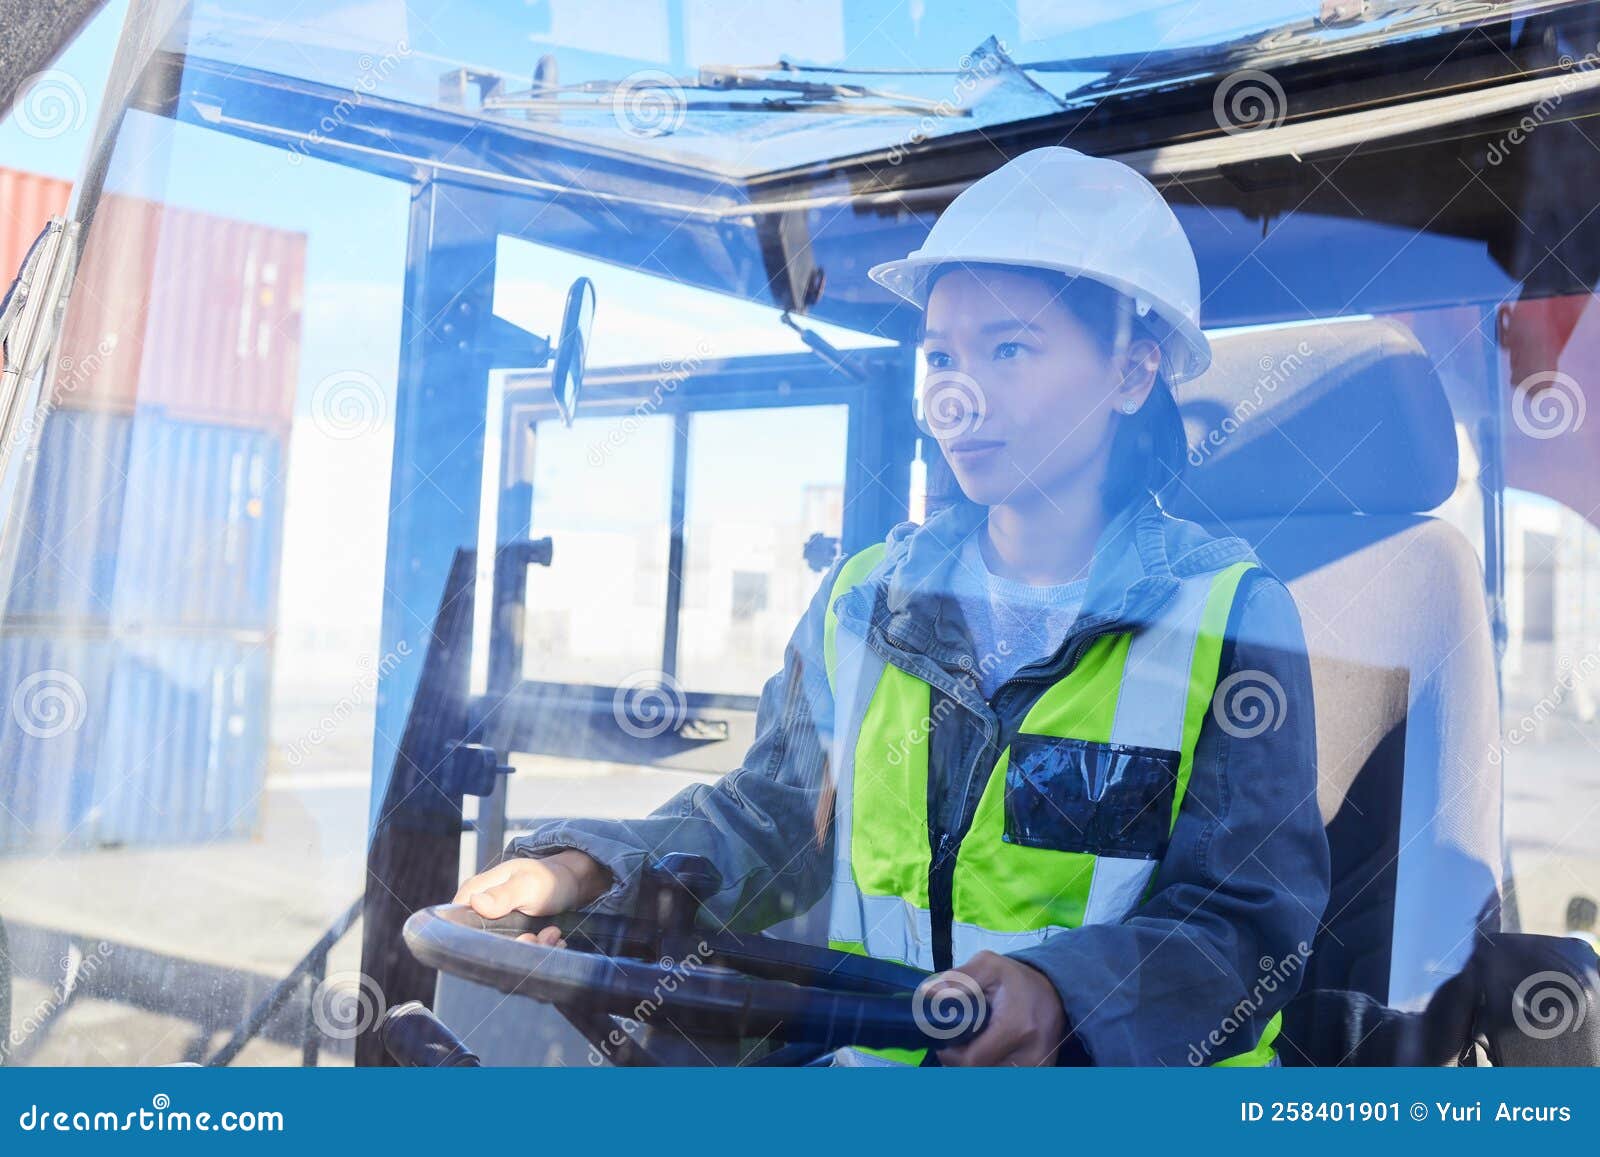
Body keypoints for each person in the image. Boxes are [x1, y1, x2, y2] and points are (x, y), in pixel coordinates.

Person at [455, 147, 1331, 1066]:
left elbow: (1243, 922)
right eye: (942, 355)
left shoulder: (1228, 617)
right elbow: (771, 813)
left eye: (1010, 349)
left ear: (1132, 373)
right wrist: (590, 867)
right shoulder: (863, 599)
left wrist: (1064, 996)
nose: (957, 396)